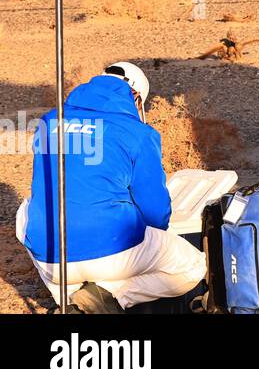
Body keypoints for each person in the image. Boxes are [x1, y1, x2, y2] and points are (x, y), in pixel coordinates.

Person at [17, 62, 206, 313]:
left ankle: (69, 299)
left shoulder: (50, 121)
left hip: (52, 259)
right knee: (193, 267)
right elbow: (155, 212)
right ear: (135, 96)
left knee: (26, 210)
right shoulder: (138, 133)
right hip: (111, 251)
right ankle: (110, 295)